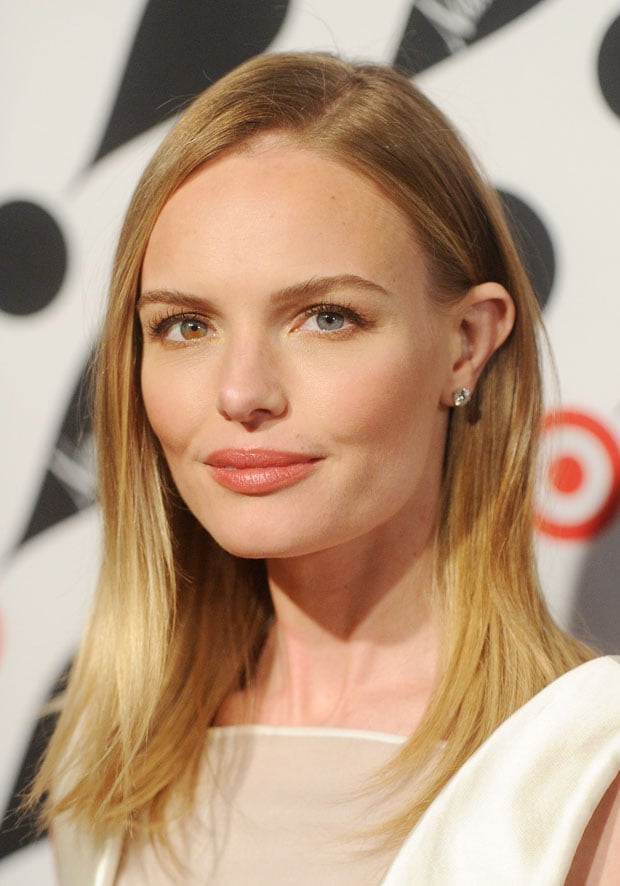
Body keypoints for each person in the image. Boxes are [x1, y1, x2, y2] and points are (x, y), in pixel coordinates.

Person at [30, 52, 619, 884]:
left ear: (466, 344)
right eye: (187, 325)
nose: (242, 393)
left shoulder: (583, 774)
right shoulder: (112, 766)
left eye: (327, 318)